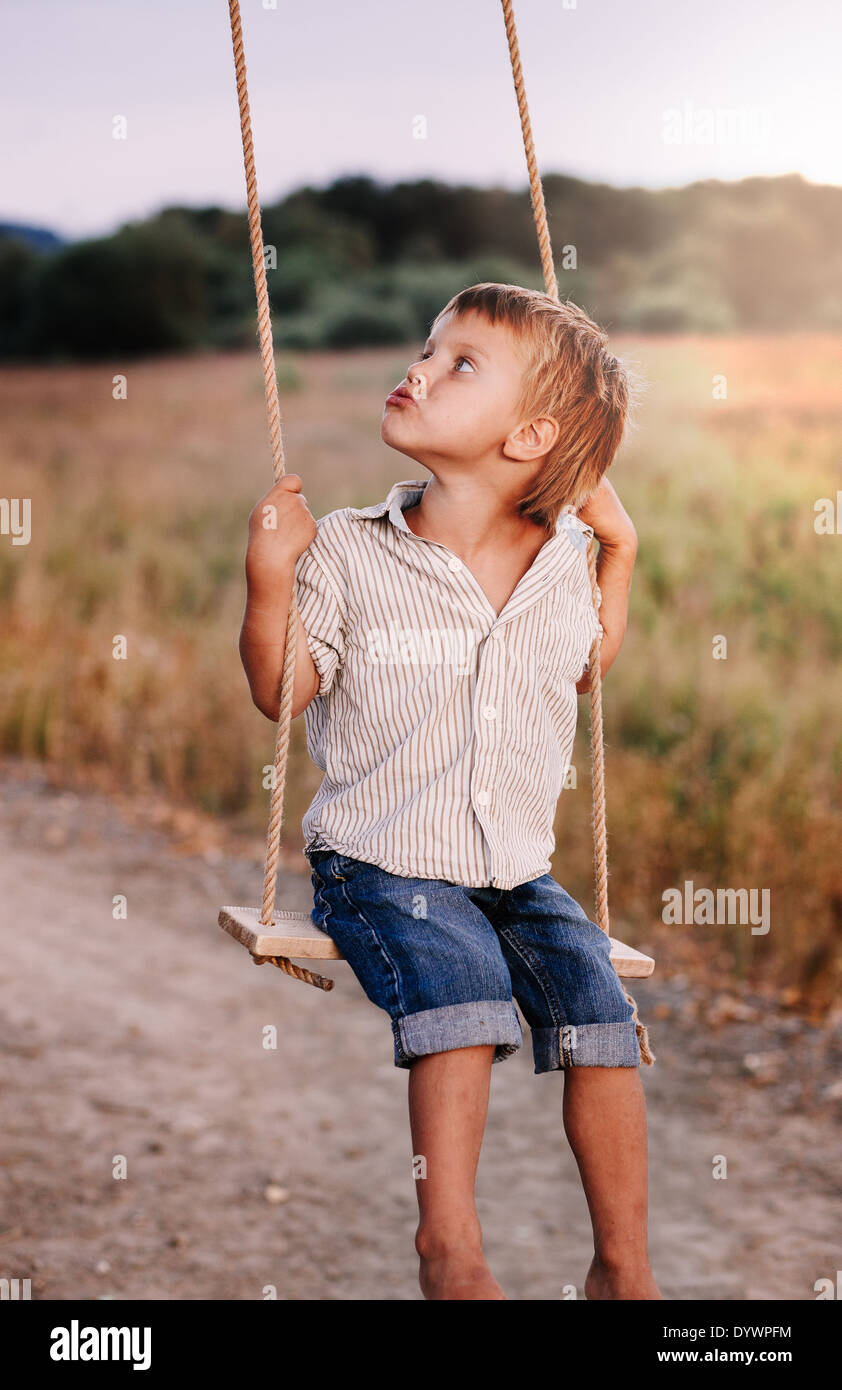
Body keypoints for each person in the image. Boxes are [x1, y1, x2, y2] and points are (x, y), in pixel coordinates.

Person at [239, 283, 660, 1301]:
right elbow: (281, 690)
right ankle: (449, 1247)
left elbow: (586, 663)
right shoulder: (346, 547)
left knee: (599, 1019)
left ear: (528, 437)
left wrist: (620, 552)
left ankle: (622, 1265)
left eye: (460, 362)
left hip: (515, 868)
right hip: (381, 861)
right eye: (428, 348)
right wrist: (268, 582)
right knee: (460, 992)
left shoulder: (562, 562)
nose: (420, 367)